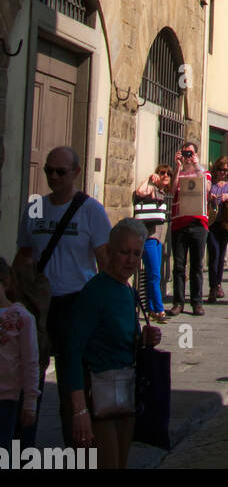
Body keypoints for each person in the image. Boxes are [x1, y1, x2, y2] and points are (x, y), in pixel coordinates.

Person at [13, 145, 111, 446]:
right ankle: (21, 450)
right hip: (39, 306)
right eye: (48, 171)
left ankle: (76, 452)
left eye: (60, 172)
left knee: (73, 384)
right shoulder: (35, 209)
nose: (53, 177)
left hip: (75, 303)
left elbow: (104, 263)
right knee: (30, 380)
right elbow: (24, 256)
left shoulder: (91, 210)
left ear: (76, 173)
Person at [66, 218, 162, 469]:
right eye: (124, 252)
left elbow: (117, 338)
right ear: (109, 251)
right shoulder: (94, 292)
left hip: (124, 396)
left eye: (136, 253)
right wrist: (79, 411)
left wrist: (143, 340)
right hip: (97, 399)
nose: (130, 260)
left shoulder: (127, 290)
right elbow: (72, 352)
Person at [167, 141, 211, 317]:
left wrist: (196, 165)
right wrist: (178, 168)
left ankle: (197, 302)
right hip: (179, 223)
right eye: (184, 153)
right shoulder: (179, 173)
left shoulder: (204, 172)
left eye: (190, 153)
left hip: (199, 224)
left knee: (197, 266)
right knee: (178, 265)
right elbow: (172, 189)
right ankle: (178, 302)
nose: (187, 156)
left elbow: (207, 189)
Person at [0, 257, 39, 448]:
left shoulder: (22, 318)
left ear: (5, 283)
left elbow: (30, 361)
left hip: (6, 399)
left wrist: (30, 402)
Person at [132, 164, 171, 323]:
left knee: (154, 274)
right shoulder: (151, 188)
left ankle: (152, 309)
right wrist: (149, 178)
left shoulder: (163, 192)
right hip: (148, 238)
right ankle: (158, 310)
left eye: (168, 173)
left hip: (157, 239)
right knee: (154, 274)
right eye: (162, 173)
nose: (165, 176)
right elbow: (139, 193)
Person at [206, 156, 228, 303]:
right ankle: (213, 286)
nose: (223, 173)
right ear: (216, 170)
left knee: (221, 253)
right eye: (220, 170)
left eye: (226, 170)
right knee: (214, 253)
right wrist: (209, 196)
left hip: (226, 222)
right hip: (211, 222)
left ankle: (218, 284)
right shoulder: (210, 184)